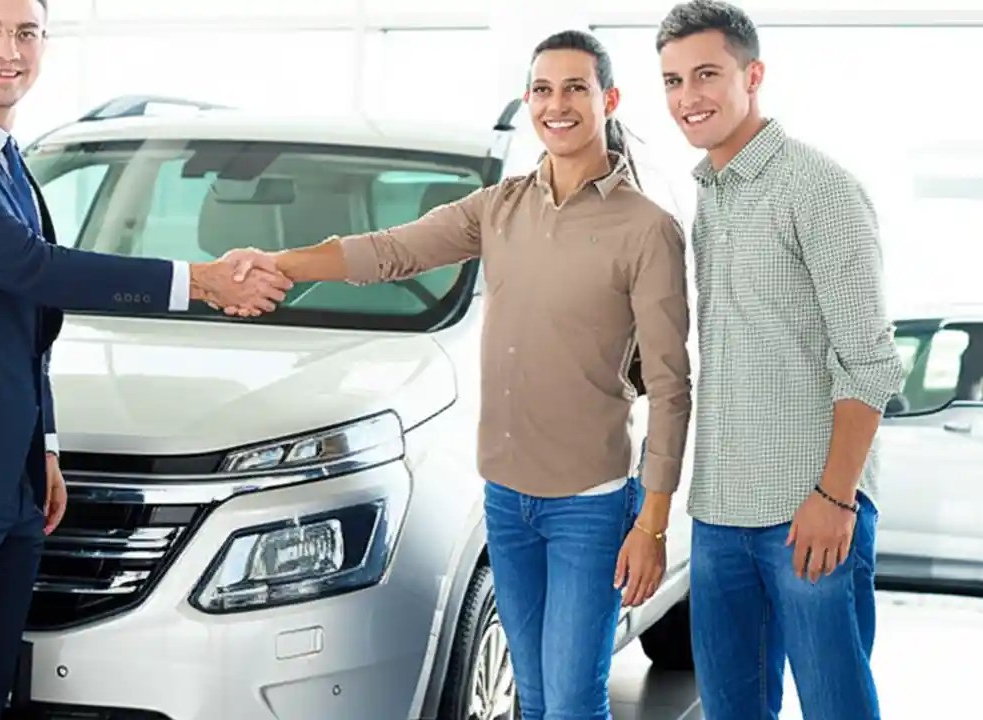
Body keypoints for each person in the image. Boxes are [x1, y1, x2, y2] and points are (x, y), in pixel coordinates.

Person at [224, 29, 692, 720]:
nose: (555, 104)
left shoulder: (646, 228)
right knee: (532, 697)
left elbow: (674, 386)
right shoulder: (499, 208)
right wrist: (277, 263)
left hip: (591, 505)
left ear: (609, 99)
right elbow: (390, 252)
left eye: (574, 88)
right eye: (541, 89)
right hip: (505, 497)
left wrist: (651, 524)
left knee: (570, 701)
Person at [0, 1, 290, 717]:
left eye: (27, 32)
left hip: (10, 480)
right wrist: (198, 281)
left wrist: (45, 445)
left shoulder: (6, 159)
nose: (10, 49)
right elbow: (36, 269)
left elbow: (25, 321)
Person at [654, 2, 905, 718]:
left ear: (752, 75)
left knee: (835, 707)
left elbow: (871, 363)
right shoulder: (710, 197)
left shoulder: (818, 188)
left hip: (809, 510)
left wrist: (835, 498)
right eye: (672, 81)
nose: (687, 98)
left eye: (706, 75)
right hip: (720, 513)